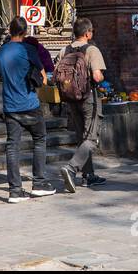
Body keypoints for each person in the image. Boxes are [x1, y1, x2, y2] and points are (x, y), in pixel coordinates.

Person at [0, 17, 56, 203]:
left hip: (9, 105)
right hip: (29, 104)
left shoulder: (1, 52)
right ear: (24, 33)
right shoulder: (28, 49)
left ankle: (15, 190)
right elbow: (42, 76)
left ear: (10, 30)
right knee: (39, 139)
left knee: (12, 146)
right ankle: (39, 182)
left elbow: (0, 75)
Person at [56, 18, 107, 193]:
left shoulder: (64, 50)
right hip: (88, 98)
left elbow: (56, 74)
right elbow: (97, 76)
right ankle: (71, 168)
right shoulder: (91, 49)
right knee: (91, 138)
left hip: (70, 99)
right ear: (88, 33)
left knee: (82, 137)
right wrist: (100, 78)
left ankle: (89, 175)